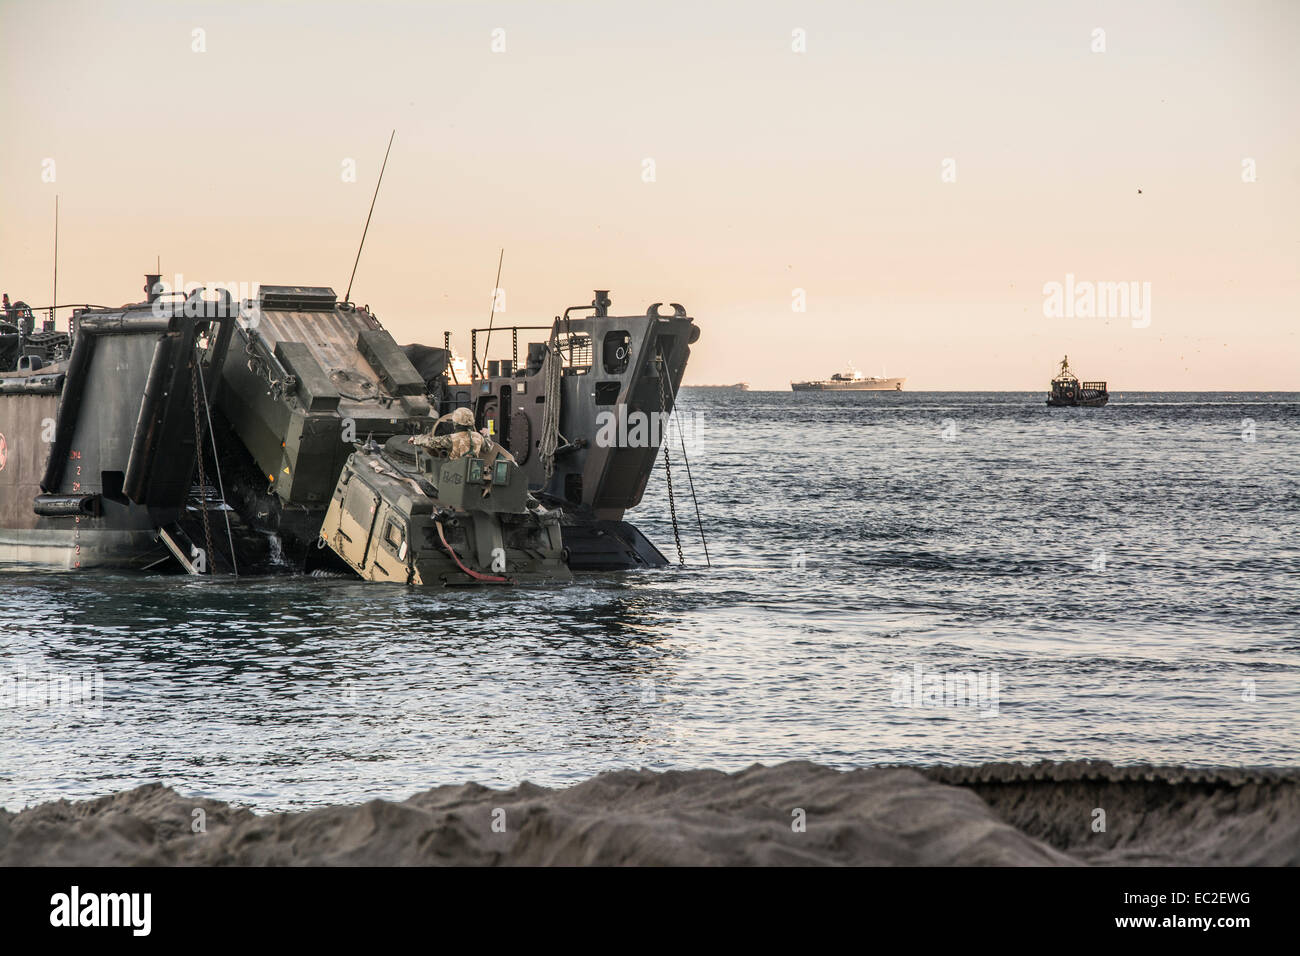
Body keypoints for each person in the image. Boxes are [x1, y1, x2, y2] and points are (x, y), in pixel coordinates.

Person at [410, 406, 516, 463]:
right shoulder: (478, 437)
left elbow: (431, 442)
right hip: (473, 469)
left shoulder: (451, 438)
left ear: (456, 423)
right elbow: (488, 448)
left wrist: (415, 439)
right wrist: (487, 434)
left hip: (454, 472)